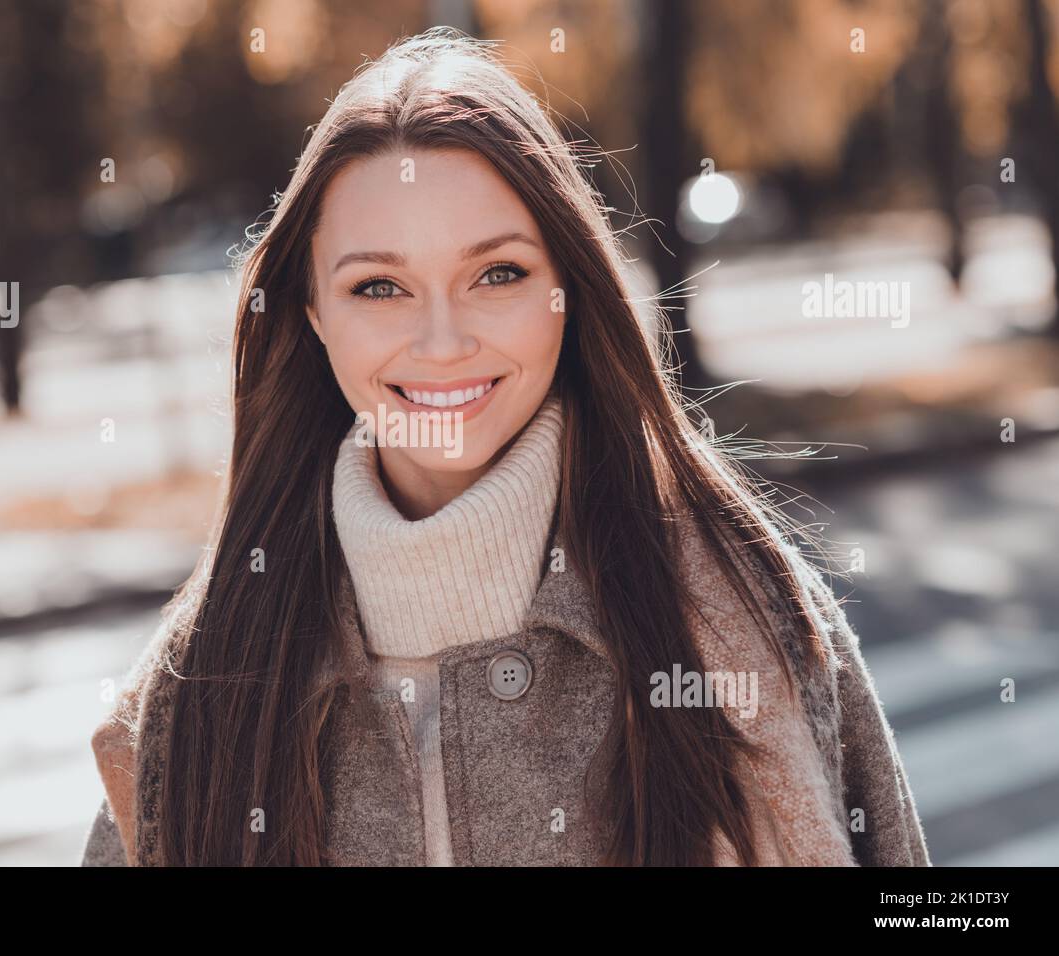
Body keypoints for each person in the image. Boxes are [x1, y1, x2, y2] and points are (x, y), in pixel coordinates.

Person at [80, 27, 930, 867]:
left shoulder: (748, 614)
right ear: (311, 315)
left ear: (568, 286)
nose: (442, 343)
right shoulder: (198, 689)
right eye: (379, 287)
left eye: (497, 274)